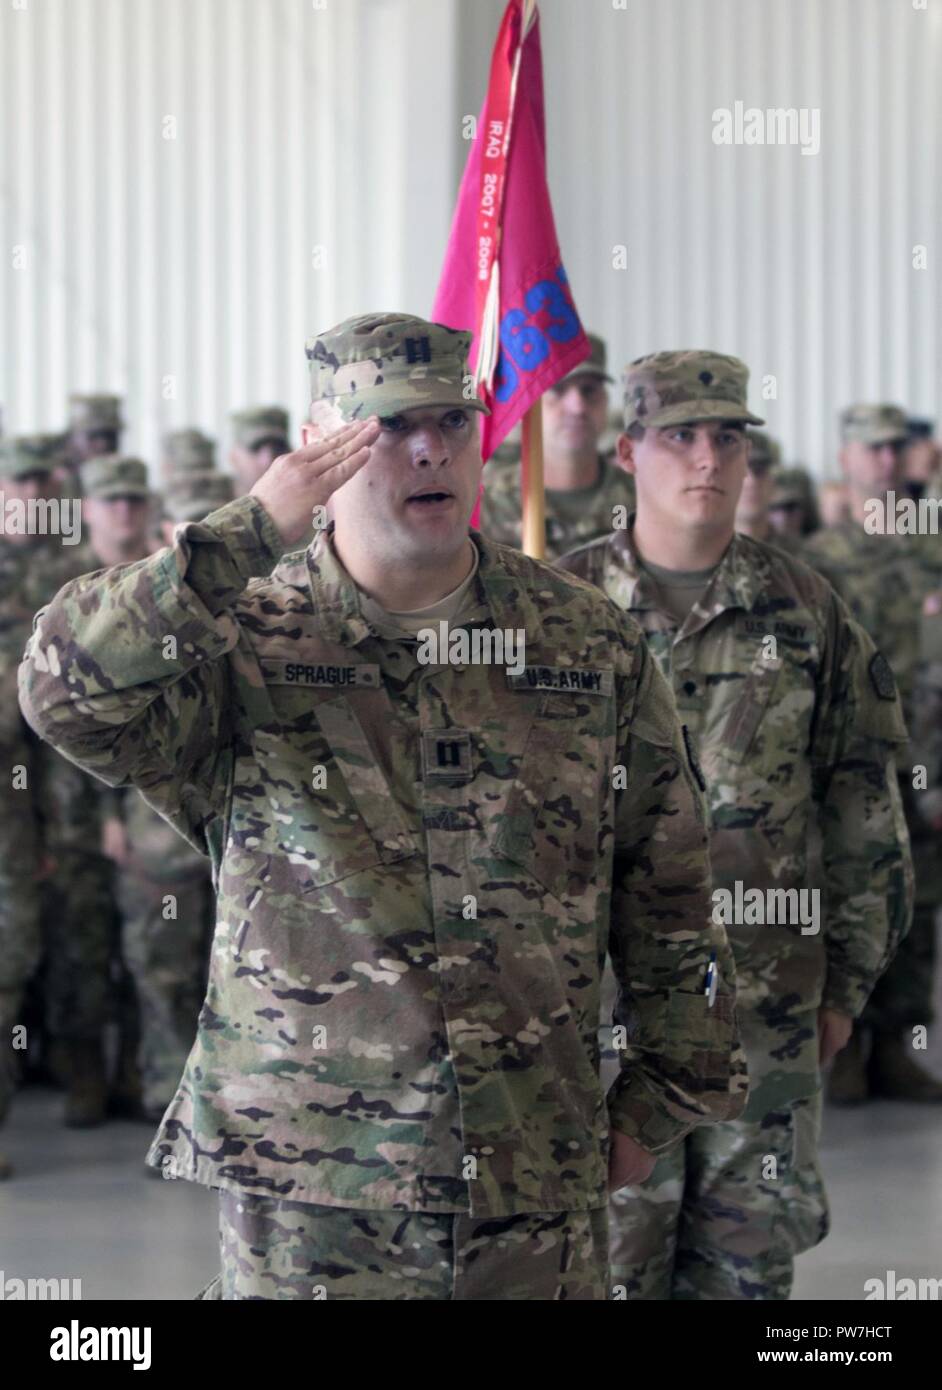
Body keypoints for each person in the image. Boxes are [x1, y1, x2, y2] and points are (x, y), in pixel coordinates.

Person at [20, 313, 743, 1300]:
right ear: (322, 445)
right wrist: (240, 537)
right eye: (391, 424)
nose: (430, 447)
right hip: (314, 1184)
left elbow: (666, 875)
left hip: (533, 1164)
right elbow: (63, 688)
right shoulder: (245, 639)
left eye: (452, 418)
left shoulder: (582, 640)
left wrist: (654, 1101)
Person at [558, 351, 913, 1299]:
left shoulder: (805, 611)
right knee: (609, 1268)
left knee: (746, 1270)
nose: (707, 458)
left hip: (767, 1013)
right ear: (628, 450)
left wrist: (847, 981)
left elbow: (863, 803)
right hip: (606, 1017)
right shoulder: (561, 611)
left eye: (727, 436)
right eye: (679, 435)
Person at [803, 403, 942, 1103]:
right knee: (848, 902)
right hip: (848, 762)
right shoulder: (816, 562)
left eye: (896, 449)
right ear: (846, 458)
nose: (886, 461)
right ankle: (846, 1049)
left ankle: (900, 1045)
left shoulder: (931, 549)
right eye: (872, 449)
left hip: (925, 757)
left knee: (918, 903)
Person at [87, 461, 216, 1126]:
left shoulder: (248, 604)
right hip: (152, 831)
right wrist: (110, 814)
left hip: (224, 829)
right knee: (159, 974)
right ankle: (167, 1100)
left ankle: (219, 1112)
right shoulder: (134, 604)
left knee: (218, 977)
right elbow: (101, 719)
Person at [479, 334, 635, 560]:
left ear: (606, 400)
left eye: (589, 390)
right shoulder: (487, 505)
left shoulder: (641, 499)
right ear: (528, 406)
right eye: (558, 389)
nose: (578, 407)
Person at [229, 406, 290, 495]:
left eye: (278, 447)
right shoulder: (213, 502)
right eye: (255, 448)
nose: (268, 460)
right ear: (234, 457)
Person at [734, 429, 781, 544]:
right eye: (738, 470)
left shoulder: (801, 560)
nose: (751, 481)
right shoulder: (694, 558)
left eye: (759, 469)